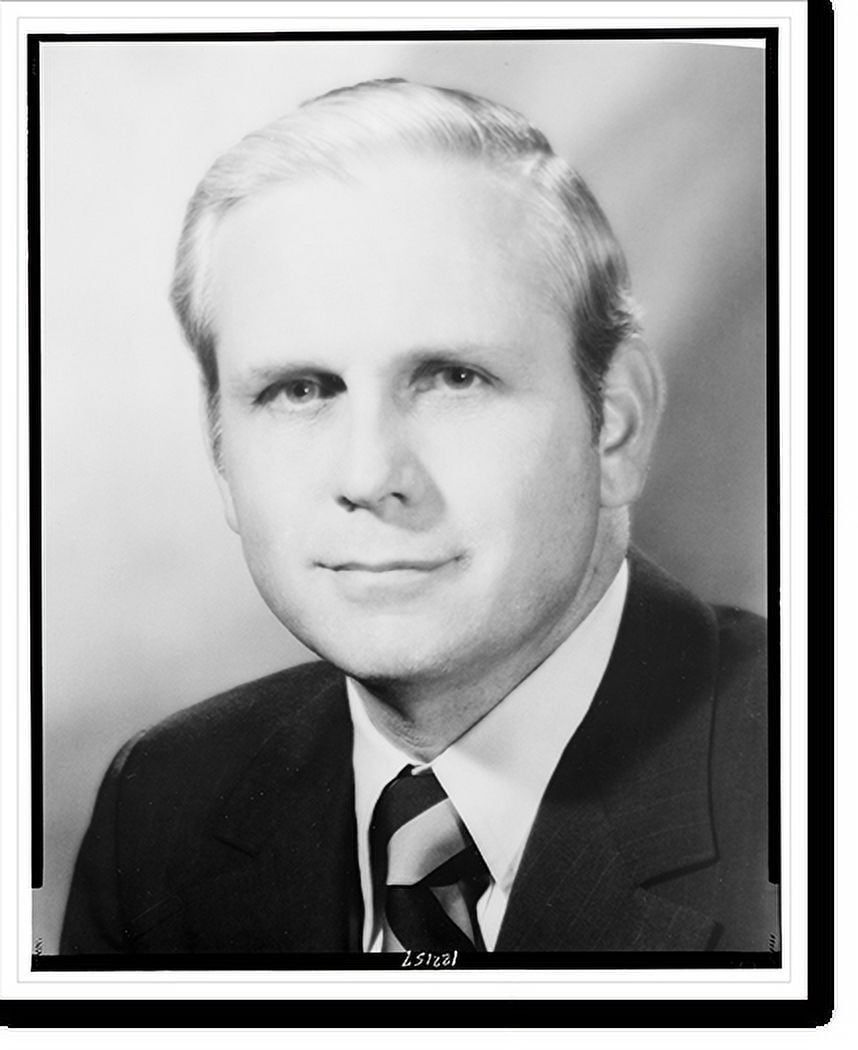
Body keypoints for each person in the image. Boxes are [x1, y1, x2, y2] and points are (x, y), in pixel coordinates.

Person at [60, 78, 775, 956]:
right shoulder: (163, 804)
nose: (370, 476)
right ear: (219, 451)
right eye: (298, 390)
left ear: (616, 422)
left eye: (452, 378)